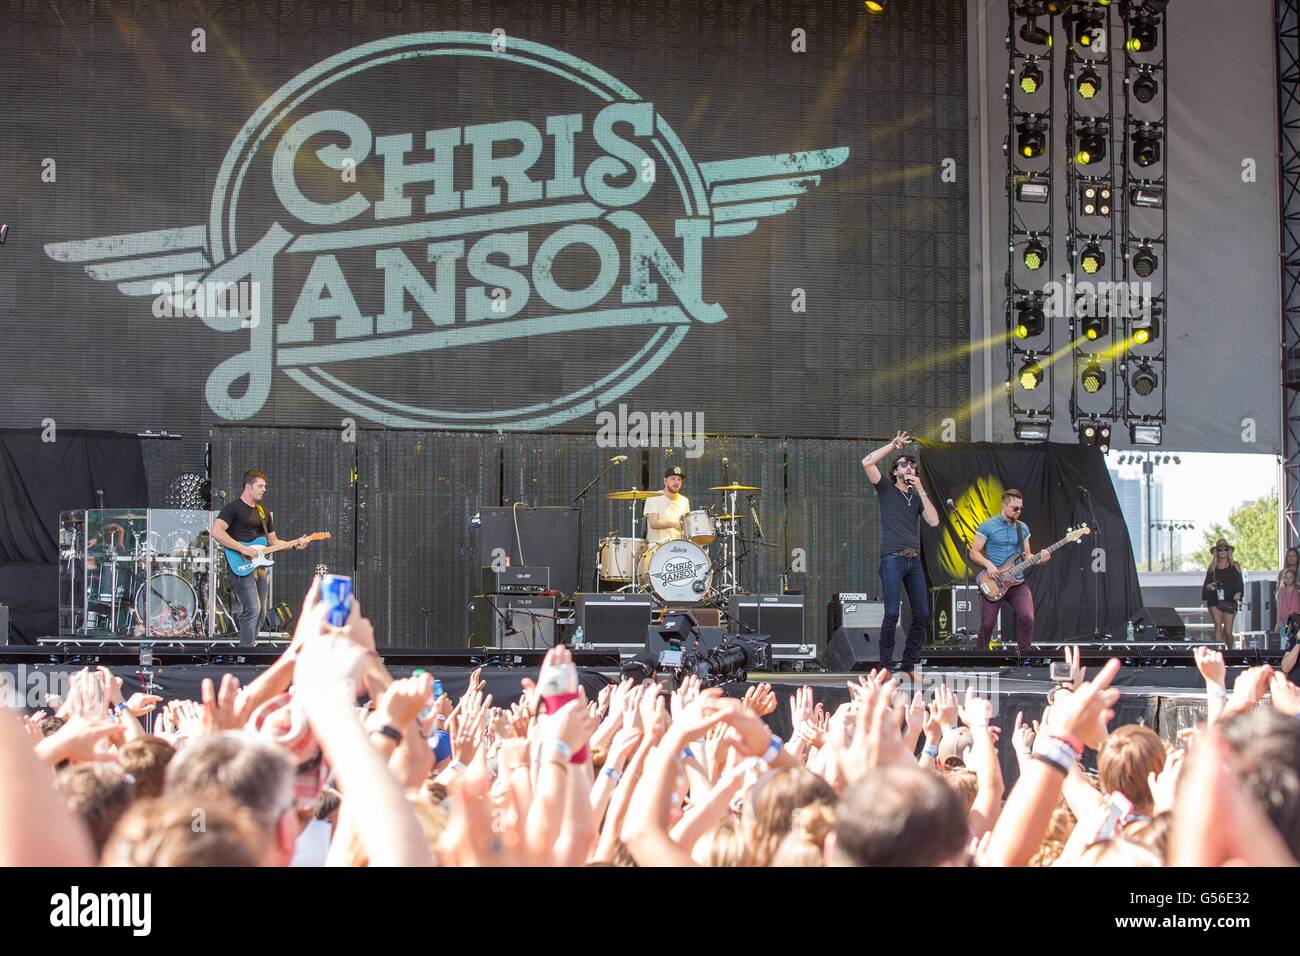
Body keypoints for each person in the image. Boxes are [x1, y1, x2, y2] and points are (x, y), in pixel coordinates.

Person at [861, 431, 940, 677]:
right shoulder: (886, 489)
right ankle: (884, 667)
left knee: (922, 614)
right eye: (904, 464)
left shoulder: (916, 499)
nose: (910, 467)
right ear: (895, 471)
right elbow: (867, 462)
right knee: (892, 613)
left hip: (913, 561)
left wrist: (922, 489)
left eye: (913, 466)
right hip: (893, 559)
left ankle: (909, 664)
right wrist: (892, 445)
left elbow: (934, 521)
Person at [210, 470, 308, 646]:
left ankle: (249, 645)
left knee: (261, 613)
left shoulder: (264, 513)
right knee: (253, 609)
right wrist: (242, 548)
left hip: (260, 569)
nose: (264, 489)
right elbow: (216, 531)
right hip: (240, 566)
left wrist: (295, 544)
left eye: (265, 486)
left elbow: (273, 542)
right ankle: (245, 654)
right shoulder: (232, 508)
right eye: (260, 486)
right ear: (248, 486)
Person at [969, 489, 1049, 653]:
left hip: (1017, 582)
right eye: (1015, 508)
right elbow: (974, 552)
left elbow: (1027, 555)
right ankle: (979, 656)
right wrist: (988, 564)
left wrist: (1040, 559)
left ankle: (1024, 656)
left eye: (1021, 508)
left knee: (1028, 617)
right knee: (987, 624)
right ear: (1004, 505)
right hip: (994, 581)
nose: (1018, 511)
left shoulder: (1023, 528)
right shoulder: (988, 526)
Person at [1202, 537, 1243, 646]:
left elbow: (1240, 583)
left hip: (1230, 599)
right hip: (1214, 599)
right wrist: (1209, 587)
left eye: (1225, 549)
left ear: (1229, 551)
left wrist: (1239, 593)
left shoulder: (1235, 565)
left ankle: (1230, 653)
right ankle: (1218, 652)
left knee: (1228, 631)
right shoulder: (1212, 567)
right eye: (1220, 549)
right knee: (1218, 625)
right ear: (1216, 552)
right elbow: (1206, 585)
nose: (1223, 551)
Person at [643, 466, 691, 546]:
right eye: (673, 479)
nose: (676, 482)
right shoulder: (653, 497)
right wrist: (674, 524)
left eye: (679, 479)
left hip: (678, 547)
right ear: (665, 481)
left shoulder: (684, 501)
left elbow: (686, 526)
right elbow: (653, 523)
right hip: (657, 547)